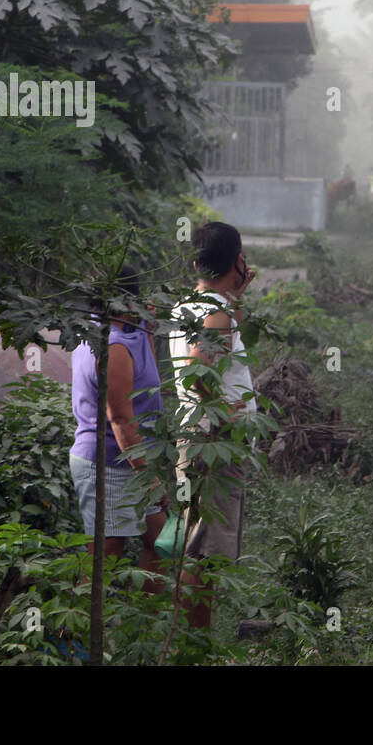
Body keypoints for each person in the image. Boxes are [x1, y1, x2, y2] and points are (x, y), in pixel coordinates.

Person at [169, 222, 258, 628]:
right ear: (237, 259)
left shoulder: (194, 305)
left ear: (195, 262)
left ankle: (193, 640)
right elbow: (197, 371)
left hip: (198, 436)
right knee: (202, 550)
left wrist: (234, 295)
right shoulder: (215, 315)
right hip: (213, 439)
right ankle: (195, 644)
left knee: (198, 544)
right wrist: (229, 414)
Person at [69, 265, 165, 593]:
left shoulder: (132, 333)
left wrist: (148, 325)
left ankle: (144, 626)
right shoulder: (111, 346)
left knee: (162, 541)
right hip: (108, 462)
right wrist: (149, 476)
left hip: (134, 458)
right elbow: (121, 419)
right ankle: (79, 636)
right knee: (106, 554)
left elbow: (148, 380)